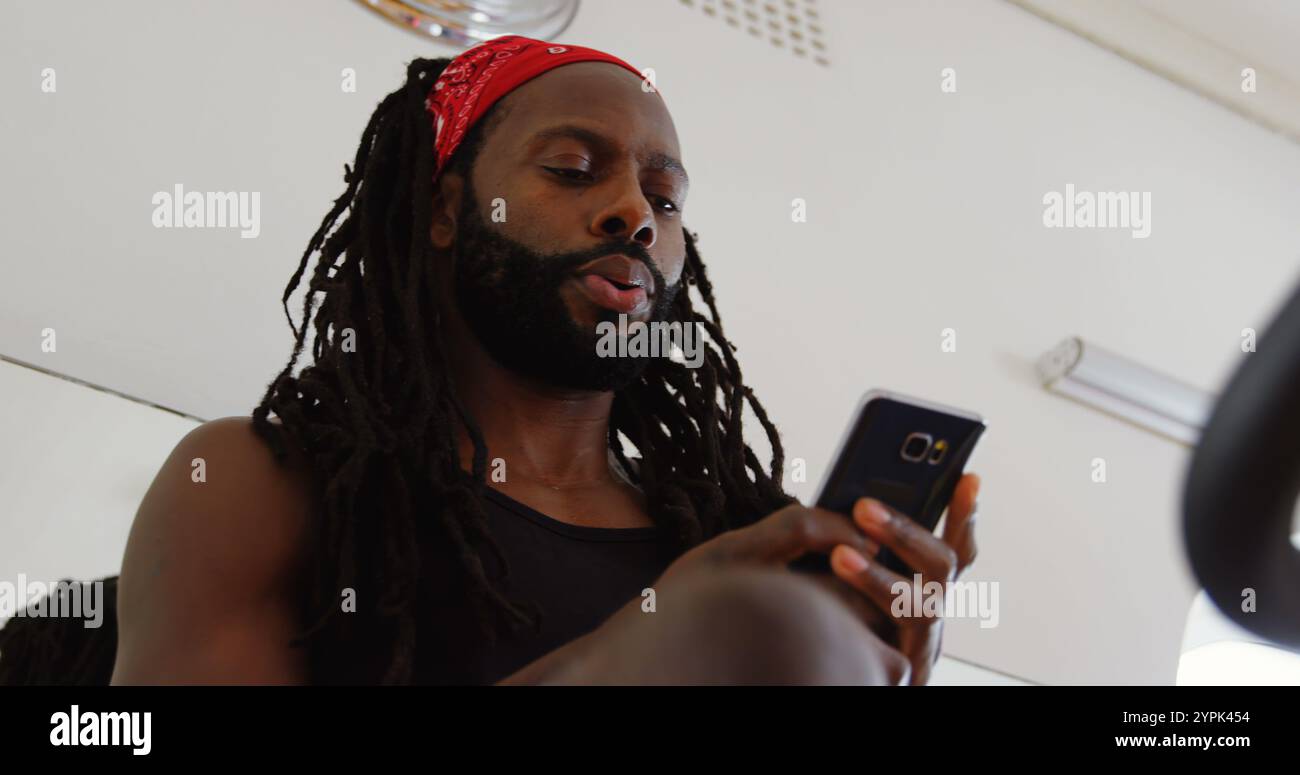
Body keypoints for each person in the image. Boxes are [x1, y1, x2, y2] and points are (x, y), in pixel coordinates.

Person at [107, 35, 981, 686]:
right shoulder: (256, 484)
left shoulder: (738, 540)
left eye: (665, 197)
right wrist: (650, 645)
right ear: (447, 210)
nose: (634, 214)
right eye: (571, 168)